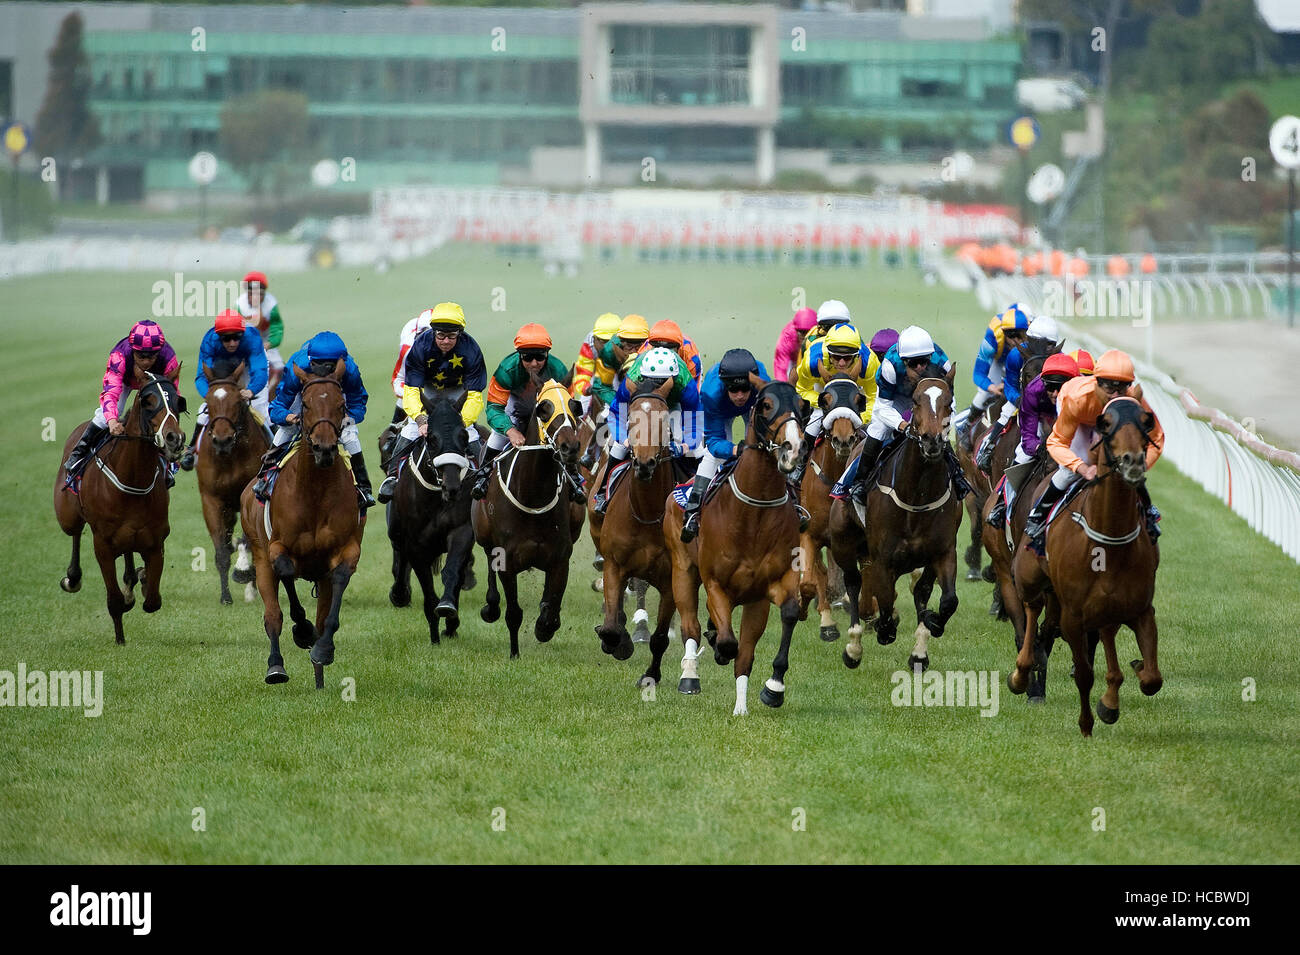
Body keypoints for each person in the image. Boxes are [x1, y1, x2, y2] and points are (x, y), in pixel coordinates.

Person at [1024, 349, 1165, 548]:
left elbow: (1157, 439)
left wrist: (1140, 466)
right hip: (1082, 418)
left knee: (1127, 464)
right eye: (1109, 388)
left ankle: (1147, 510)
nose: (1116, 395)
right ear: (1096, 383)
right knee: (1073, 468)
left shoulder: (1134, 400)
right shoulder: (1077, 399)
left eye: (1122, 388)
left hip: (1111, 422)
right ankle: (1038, 515)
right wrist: (1082, 468)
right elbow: (1056, 442)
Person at [834, 325, 970, 503]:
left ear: (931, 357)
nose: (921, 367)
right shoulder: (890, 366)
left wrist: (941, 424)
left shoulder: (941, 363)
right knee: (878, 430)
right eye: (914, 363)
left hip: (929, 397)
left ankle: (958, 476)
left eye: (924, 361)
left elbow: (949, 401)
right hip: (898, 397)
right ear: (903, 361)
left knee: (942, 433)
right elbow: (883, 408)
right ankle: (859, 481)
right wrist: (902, 425)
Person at [377, 302, 487, 503]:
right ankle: (392, 476)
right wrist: (420, 419)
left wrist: (462, 421)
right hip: (427, 389)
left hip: (457, 392)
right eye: (440, 335)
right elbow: (411, 390)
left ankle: (483, 477)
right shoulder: (420, 346)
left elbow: (474, 396)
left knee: (469, 432)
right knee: (410, 430)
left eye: (451, 336)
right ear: (434, 332)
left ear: (460, 334)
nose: (445, 341)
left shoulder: (472, 350)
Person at [251, 331, 374, 507]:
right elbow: (277, 407)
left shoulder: (349, 370)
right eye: (321, 365)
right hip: (304, 396)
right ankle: (266, 477)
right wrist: (289, 417)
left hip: (336, 399)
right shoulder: (297, 369)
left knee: (349, 435)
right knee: (287, 430)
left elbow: (358, 403)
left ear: (340, 364)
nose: (325, 370)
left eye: (331, 366)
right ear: (311, 362)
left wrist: (349, 417)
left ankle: (363, 488)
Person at [472, 323, 585, 503]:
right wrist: (510, 431)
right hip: (515, 411)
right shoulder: (506, 370)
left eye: (540, 357)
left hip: (547, 414)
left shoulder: (558, 370)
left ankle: (574, 479)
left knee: (567, 439)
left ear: (547, 354)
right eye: (528, 357)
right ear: (520, 355)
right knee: (496, 438)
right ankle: (483, 477)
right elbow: (494, 409)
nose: (534, 363)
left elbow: (567, 407)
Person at [63, 320, 183, 487]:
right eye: (141, 356)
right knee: (109, 414)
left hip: (155, 382)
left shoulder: (168, 357)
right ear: (133, 350)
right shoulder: (119, 356)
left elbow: (172, 394)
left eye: (152, 356)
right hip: (127, 380)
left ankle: (169, 464)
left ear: (159, 352)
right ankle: (78, 453)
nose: (147, 362)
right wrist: (112, 421)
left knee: (164, 413)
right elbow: (110, 393)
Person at [591, 346, 701, 516]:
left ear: (672, 379)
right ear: (643, 376)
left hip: (673, 405)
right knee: (619, 445)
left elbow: (694, 422)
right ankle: (603, 492)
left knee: (696, 449)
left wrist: (685, 447)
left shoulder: (685, 383)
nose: (655, 385)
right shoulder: (633, 378)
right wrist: (624, 440)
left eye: (661, 382)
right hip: (641, 402)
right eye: (651, 380)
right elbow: (616, 413)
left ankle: (698, 497)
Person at [680, 349, 770, 542]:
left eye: (745, 389)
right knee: (715, 456)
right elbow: (713, 442)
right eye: (734, 390)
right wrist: (736, 450)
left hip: (753, 409)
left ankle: (793, 501)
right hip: (721, 411)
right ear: (724, 386)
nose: (740, 396)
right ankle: (693, 510)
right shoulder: (711, 393)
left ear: (753, 384)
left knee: (765, 449)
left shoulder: (763, 385)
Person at [985, 352, 1078, 527]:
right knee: (1021, 458)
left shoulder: (1083, 392)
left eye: (1060, 387)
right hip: (1042, 423)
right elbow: (1028, 436)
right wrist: (1039, 448)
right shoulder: (1033, 391)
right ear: (1043, 383)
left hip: (1070, 424)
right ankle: (1002, 504)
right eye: (1050, 387)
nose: (1055, 393)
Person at [180, 308, 271, 470]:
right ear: (219, 337)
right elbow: (202, 377)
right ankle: (191, 450)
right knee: (206, 408)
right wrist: (210, 396)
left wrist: (251, 391)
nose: (232, 343)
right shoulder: (210, 341)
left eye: (237, 338)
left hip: (249, 368)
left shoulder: (252, 339)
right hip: (222, 371)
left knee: (260, 409)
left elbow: (260, 371)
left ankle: (276, 451)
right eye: (227, 339)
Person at [790, 322, 879, 484]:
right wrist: (826, 403)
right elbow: (801, 389)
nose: (842, 363)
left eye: (848, 358)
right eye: (837, 357)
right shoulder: (813, 359)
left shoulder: (869, 363)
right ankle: (800, 466)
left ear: (857, 354)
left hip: (854, 392)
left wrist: (861, 417)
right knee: (812, 426)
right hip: (824, 389)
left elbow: (875, 398)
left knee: (877, 430)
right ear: (828, 353)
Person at [977, 313, 1060, 472]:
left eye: (1049, 344)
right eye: (1038, 343)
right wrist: (1018, 399)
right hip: (1023, 400)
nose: (1043, 348)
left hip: (1052, 403)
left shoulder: (1060, 358)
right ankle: (988, 447)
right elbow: (1009, 384)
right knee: (1006, 412)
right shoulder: (1016, 355)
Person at [956, 303, 1031, 452]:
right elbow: (978, 374)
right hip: (999, 360)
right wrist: (992, 387)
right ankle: (967, 425)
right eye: (1010, 335)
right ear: (1003, 333)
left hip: (1022, 360)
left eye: (1019, 335)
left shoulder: (1033, 338)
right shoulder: (992, 338)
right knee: (986, 393)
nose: (1015, 340)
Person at [236, 271, 285, 395]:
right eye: (251, 294)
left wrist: (270, 344)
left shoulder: (271, 304)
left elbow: (277, 328)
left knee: (280, 368)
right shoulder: (240, 304)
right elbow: (237, 328)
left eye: (259, 294)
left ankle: (273, 396)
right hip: (246, 344)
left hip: (266, 343)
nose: (255, 298)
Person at [387, 306, 435, 429]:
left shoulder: (455, 346)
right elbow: (398, 381)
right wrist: (416, 397)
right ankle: (393, 430)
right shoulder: (408, 348)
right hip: (417, 391)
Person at [588, 314, 649, 408]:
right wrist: (620, 404)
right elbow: (601, 387)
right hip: (616, 376)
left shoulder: (653, 349)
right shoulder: (609, 351)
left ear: (646, 342)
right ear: (621, 341)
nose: (633, 351)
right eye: (629, 345)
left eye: (638, 345)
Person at [571, 312, 622, 411]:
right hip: (598, 371)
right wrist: (587, 389)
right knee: (583, 407)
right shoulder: (589, 345)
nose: (607, 347)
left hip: (617, 371)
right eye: (603, 342)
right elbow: (583, 373)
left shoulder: (627, 344)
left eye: (611, 342)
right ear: (594, 339)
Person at [638, 319, 703, 386]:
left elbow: (693, 391)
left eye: (669, 348)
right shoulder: (643, 353)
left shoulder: (691, 356)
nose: (663, 352)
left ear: (679, 347)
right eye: (657, 347)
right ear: (651, 345)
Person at [773, 307, 818, 384]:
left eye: (809, 332)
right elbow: (780, 367)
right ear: (796, 330)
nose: (805, 336)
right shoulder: (787, 337)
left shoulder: (819, 333)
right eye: (802, 332)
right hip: (793, 360)